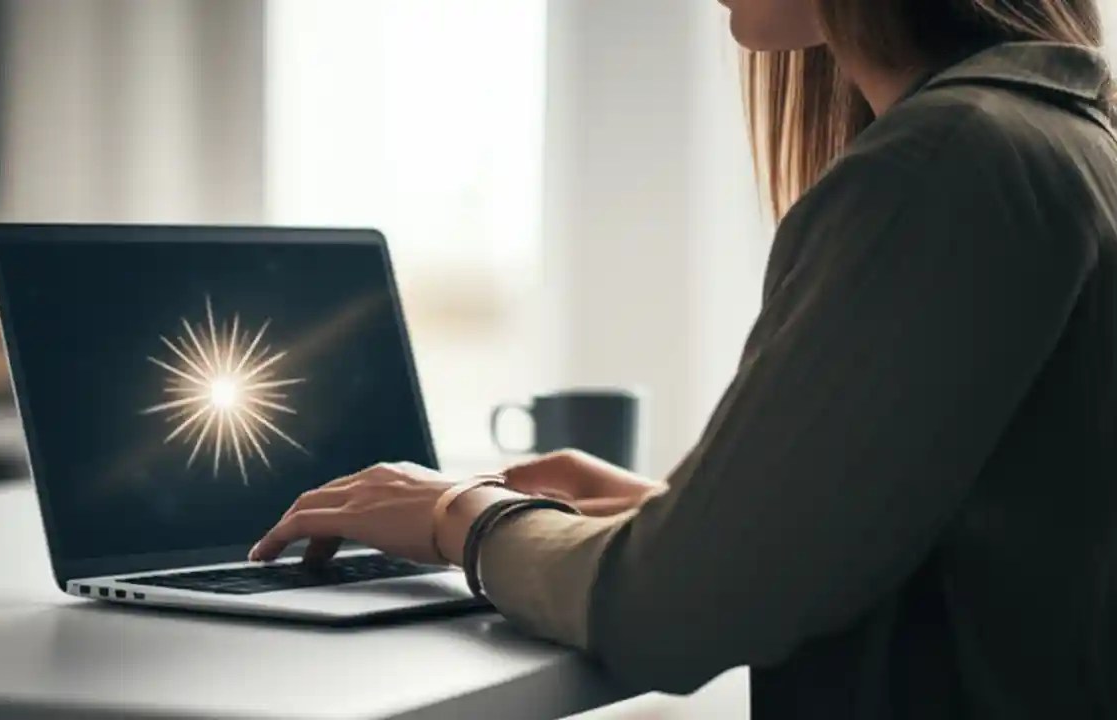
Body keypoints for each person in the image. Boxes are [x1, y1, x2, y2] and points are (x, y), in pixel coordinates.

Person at [250, 0, 1117, 716]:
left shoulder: (946, 162)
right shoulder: (1058, 142)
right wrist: (686, 518)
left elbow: (675, 616)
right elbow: (1002, 537)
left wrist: (458, 517)